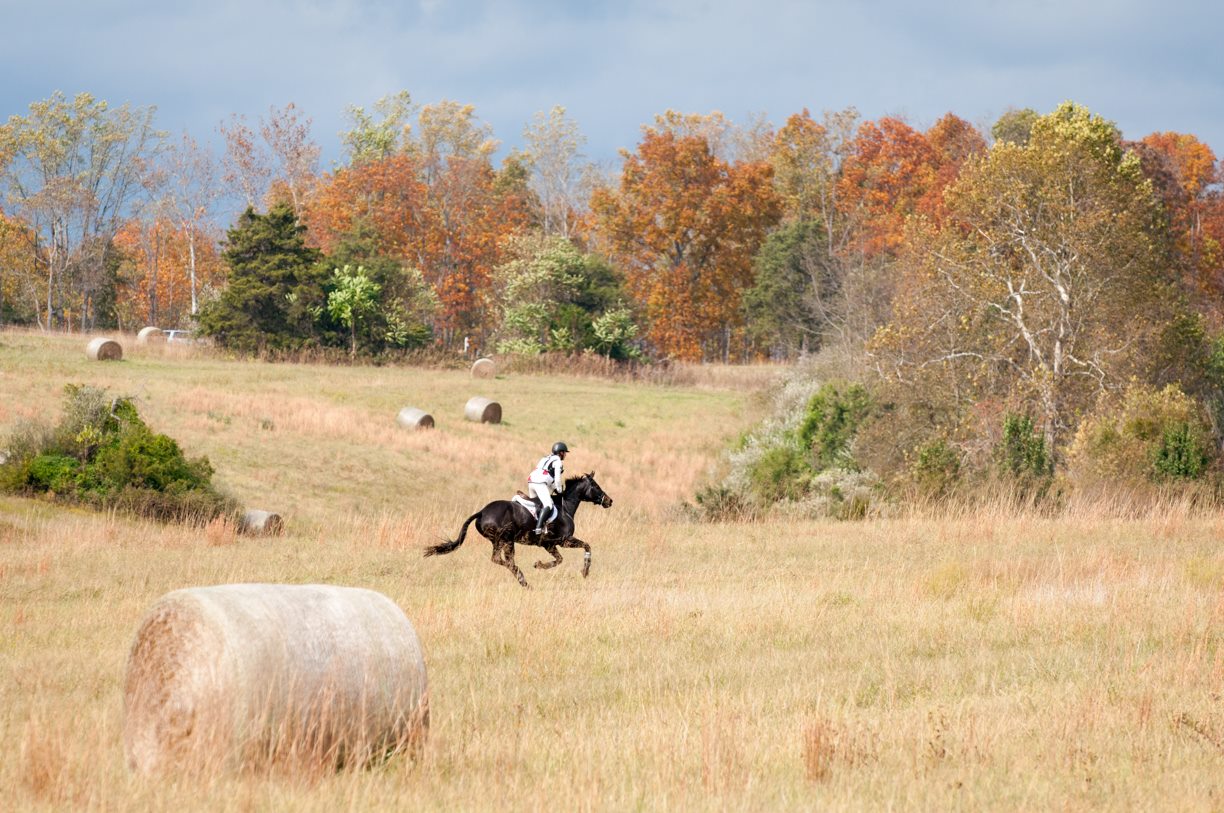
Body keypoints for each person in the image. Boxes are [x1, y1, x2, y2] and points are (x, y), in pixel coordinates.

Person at [527, 441, 568, 535]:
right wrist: (560, 490)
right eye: (565, 452)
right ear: (561, 452)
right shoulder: (558, 461)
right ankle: (538, 528)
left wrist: (553, 487)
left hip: (531, 480)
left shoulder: (544, 458)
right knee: (548, 505)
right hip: (540, 483)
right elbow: (557, 480)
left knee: (536, 505)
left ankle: (532, 525)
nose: (565, 455)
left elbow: (545, 474)